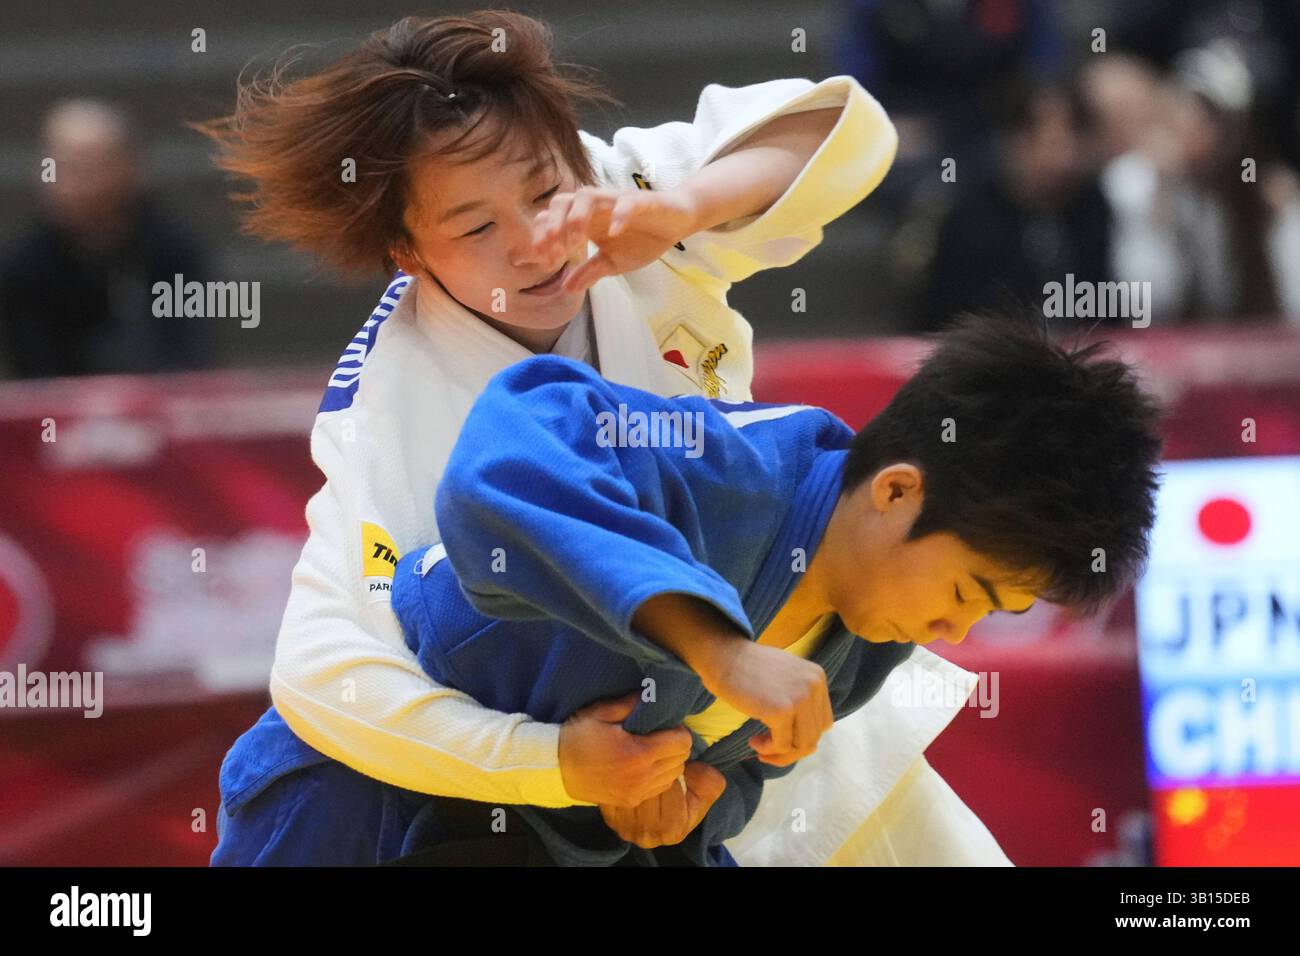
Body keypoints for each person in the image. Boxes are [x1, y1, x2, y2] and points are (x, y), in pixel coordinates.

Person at [213, 312, 1164, 865]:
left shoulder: (873, 635)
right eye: (969, 589)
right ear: (898, 490)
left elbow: (745, 762)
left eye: (987, 616)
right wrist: (720, 648)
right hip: (358, 794)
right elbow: (512, 446)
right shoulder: (732, 464)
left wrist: (705, 791)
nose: (955, 628)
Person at [0, 99, 212, 378]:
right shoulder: (24, 267)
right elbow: (36, 376)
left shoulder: (173, 251)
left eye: (93, 165)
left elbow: (190, 361)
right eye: (66, 167)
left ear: (130, 167)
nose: (81, 183)